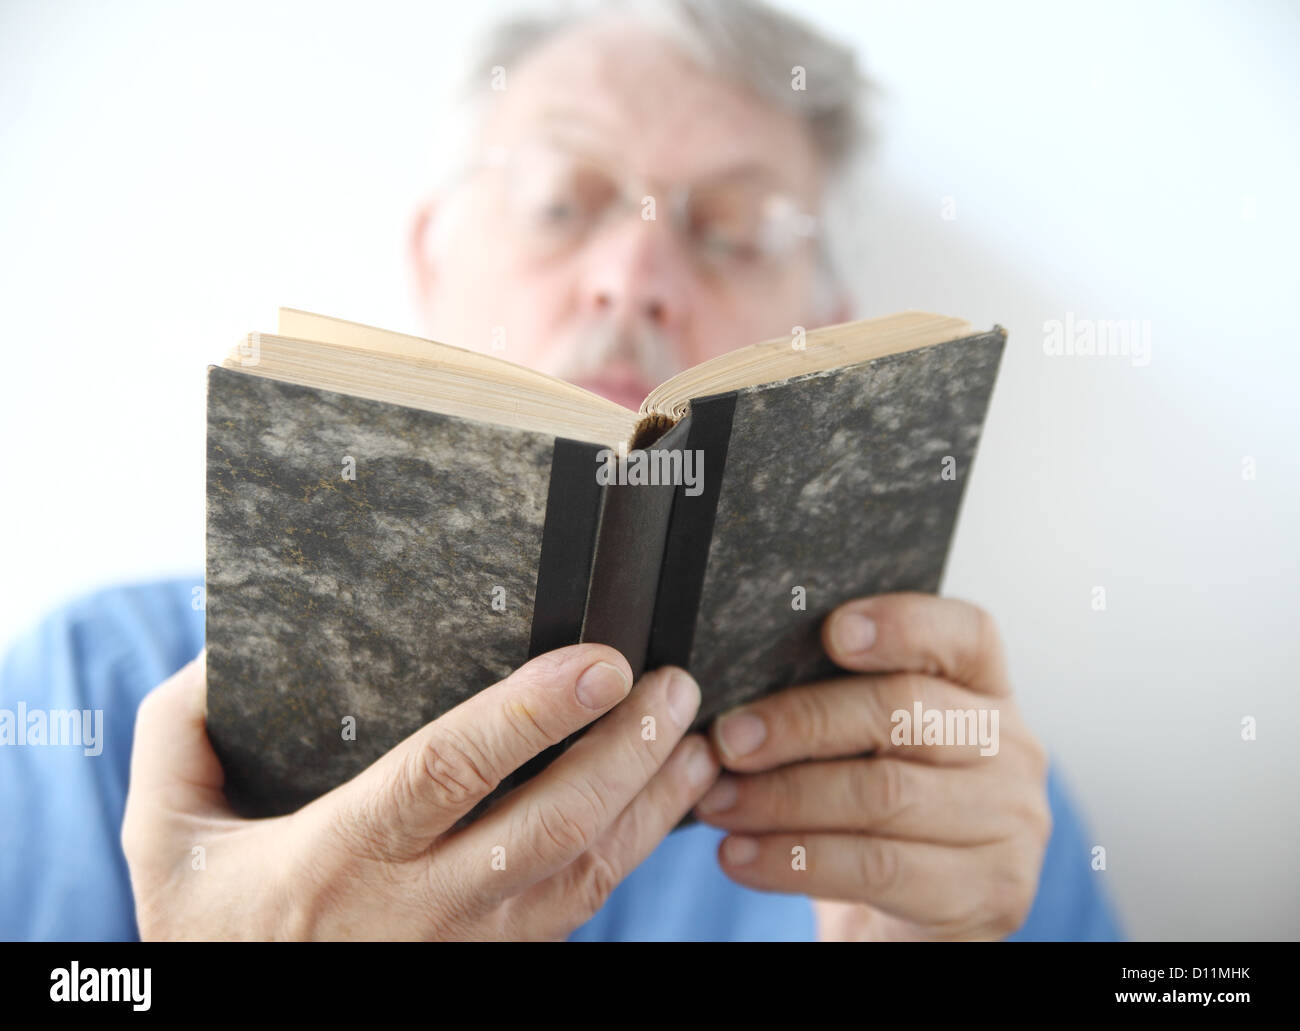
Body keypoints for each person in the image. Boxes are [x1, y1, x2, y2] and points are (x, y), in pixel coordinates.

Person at [0, 0, 1121, 941]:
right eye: (554, 202)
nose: (633, 273)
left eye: (732, 230)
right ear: (432, 260)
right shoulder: (89, 687)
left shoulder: (939, 788)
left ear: (821, 332)